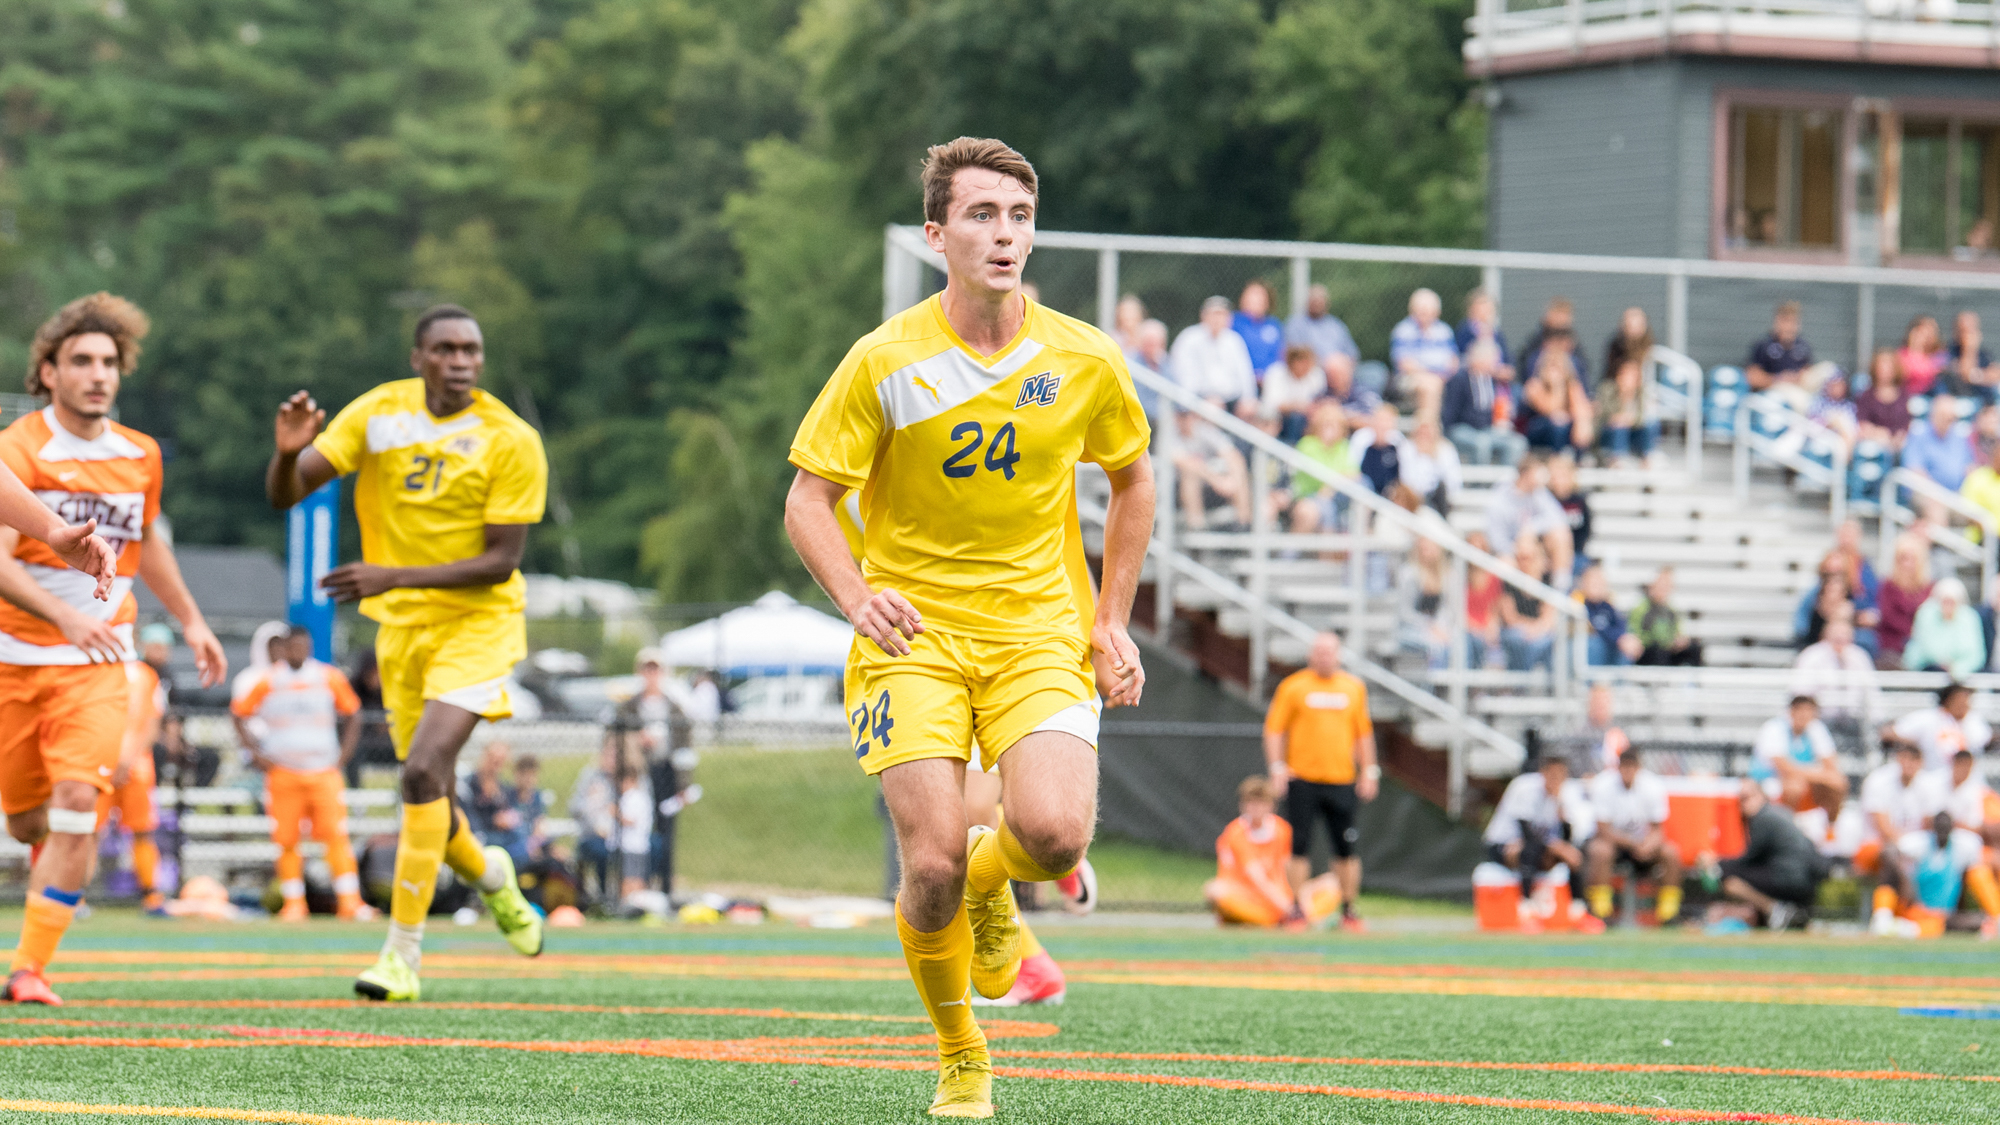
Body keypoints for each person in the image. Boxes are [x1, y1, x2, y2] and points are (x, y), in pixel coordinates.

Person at [781, 138, 1153, 1119]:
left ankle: (1003, 892)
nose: (1005, 235)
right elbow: (807, 502)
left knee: (1051, 838)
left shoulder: (1082, 356)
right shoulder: (883, 359)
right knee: (932, 862)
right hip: (913, 639)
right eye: (983, 216)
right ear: (936, 234)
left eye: (1019, 217)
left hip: (1040, 632)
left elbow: (1132, 479)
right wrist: (859, 599)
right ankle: (961, 1059)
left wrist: (1110, 618)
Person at [266, 301, 549, 1002]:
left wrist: (389, 574)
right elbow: (287, 493)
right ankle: (492, 875)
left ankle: (402, 956)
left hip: (478, 622)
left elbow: (500, 560)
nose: (462, 361)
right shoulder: (378, 413)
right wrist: (284, 451)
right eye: (447, 349)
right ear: (418, 356)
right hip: (402, 632)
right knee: (430, 789)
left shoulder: (510, 437)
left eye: (472, 351)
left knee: (421, 770)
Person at [1, 293, 218, 1007]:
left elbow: (146, 541)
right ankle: (42, 854)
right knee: (28, 817)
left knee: (77, 799)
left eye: (109, 362)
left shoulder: (141, 454)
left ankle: (29, 967)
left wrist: (190, 619)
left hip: (100, 659)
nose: (99, 374)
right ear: (48, 371)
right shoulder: (22, 447)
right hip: (16, 656)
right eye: (82, 361)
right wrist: (62, 615)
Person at [232, 624, 368, 921]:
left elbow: (353, 712)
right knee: (287, 839)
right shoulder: (268, 680)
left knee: (335, 836)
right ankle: (294, 904)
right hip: (284, 772)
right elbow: (239, 713)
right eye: (292, 646)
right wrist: (256, 753)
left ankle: (350, 902)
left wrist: (342, 756)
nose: (298, 651)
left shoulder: (328, 677)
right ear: (284, 648)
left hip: (323, 771)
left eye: (303, 646)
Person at [1263, 632, 1376, 933]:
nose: (1324, 657)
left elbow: (1363, 733)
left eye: (1330, 652)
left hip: (1341, 779)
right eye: (1319, 652)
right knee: (1299, 846)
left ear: (1338, 655)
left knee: (1346, 849)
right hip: (1303, 779)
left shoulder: (1352, 688)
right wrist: (1277, 767)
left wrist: (1369, 770)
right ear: (1311, 655)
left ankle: (1349, 909)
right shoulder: (1294, 686)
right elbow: (1274, 728)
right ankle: (1297, 908)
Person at [98, 625, 172, 913]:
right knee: (87, 832)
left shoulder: (146, 675)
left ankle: (151, 895)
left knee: (142, 830)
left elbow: (152, 725)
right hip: (99, 764)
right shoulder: (97, 672)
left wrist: (128, 759)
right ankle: (73, 896)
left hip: (137, 768)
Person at [1482, 756, 1598, 933]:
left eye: (1560, 776)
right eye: (1552, 775)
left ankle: (1578, 912)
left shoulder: (1565, 794)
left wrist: (1563, 816)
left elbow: (1567, 839)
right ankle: (1527, 911)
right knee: (1529, 850)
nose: (1556, 780)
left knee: (1573, 856)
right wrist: (1554, 846)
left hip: (1540, 847)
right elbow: (1526, 832)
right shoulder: (1524, 787)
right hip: (1502, 845)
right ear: (1542, 773)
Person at [1206, 775, 1338, 928]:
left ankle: (1285, 918)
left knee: (1331, 883)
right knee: (1215, 890)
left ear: (1271, 806)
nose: (1256, 808)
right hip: (1249, 895)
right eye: (1251, 803)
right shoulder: (1236, 832)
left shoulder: (1282, 830)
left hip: (1280, 893)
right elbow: (1258, 879)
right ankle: (1295, 919)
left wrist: (1299, 901)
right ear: (1242, 806)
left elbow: (1290, 872)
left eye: (1261, 803)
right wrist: (1289, 909)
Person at [1585, 748, 1683, 924]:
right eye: (1624, 767)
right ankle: (1601, 911)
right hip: (1616, 846)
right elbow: (1603, 830)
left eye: (1632, 767)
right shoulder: (1603, 785)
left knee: (1671, 853)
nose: (1628, 772)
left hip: (1643, 846)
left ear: (1639, 768)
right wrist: (1632, 844)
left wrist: (1649, 845)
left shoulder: (1653, 786)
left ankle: (1669, 913)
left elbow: (1658, 828)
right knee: (1600, 851)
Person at [1716, 780, 1827, 931]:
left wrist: (1718, 863)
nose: (1743, 804)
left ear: (1761, 795)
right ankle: (1783, 914)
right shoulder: (1780, 812)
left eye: (1747, 798)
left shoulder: (1764, 818)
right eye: (1740, 799)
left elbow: (1749, 859)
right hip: (1805, 878)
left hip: (1789, 878)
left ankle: (1775, 910)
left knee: (1730, 879)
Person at [1856, 740, 1951, 887]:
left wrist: (1915, 848)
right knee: (1892, 855)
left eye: (1913, 759)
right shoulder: (1879, 780)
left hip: (1912, 850)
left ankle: (1934, 907)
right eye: (1904, 758)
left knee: (1945, 857)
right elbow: (1883, 828)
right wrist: (1907, 847)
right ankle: (1889, 906)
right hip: (1875, 845)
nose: (1908, 764)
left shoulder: (1928, 784)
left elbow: (1930, 824)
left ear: (1921, 762)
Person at [1750, 695, 1846, 814]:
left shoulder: (1816, 728)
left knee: (1837, 783)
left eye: (1808, 711)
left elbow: (1831, 764)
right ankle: (1787, 825)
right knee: (1794, 787)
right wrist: (1822, 776)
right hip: (1769, 780)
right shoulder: (1774, 728)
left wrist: (1825, 777)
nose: (1804, 715)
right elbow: (1784, 768)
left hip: (1802, 779)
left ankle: (1830, 828)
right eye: (1800, 711)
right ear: (1791, 711)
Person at [1483, 454, 1571, 581]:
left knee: (1559, 535)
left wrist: (1529, 529)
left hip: (1534, 550)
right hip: (1509, 552)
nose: (1542, 478)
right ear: (1526, 474)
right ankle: (1513, 599)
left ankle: (1560, 588)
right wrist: (1518, 547)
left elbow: (1558, 518)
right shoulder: (1500, 499)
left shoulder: (1538, 492)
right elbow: (1496, 540)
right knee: (1504, 564)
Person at [1441, 341, 1525, 466]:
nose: (1496, 364)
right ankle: (1480, 483)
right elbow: (1450, 414)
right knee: (1482, 443)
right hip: (1461, 428)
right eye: (1493, 360)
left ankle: (1504, 481)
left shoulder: (1493, 381)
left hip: (1487, 430)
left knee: (1517, 443)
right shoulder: (1459, 380)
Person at [1790, 613, 1882, 728]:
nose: (1841, 641)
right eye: (1837, 637)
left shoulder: (1859, 656)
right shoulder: (1811, 656)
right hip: (1820, 720)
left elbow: (1871, 691)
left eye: (1844, 636)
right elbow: (1800, 692)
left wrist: (1876, 721)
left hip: (1855, 720)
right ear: (1826, 635)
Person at [1171, 295, 1257, 417]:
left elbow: (1245, 374)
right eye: (1214, 314)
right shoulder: (1189, 339)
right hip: (1200, 399)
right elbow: (1184, 376)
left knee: (1260, 412)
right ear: (1203, 316)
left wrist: (1248, 399)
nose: (1217, 319)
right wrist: (1202, 399)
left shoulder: (1234, 340)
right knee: (1211, 410)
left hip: (1232, 401)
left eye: (1222, 314)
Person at [1281, 401, 1357, 534]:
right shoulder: (1307, 444)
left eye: (1335, 424)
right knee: (1314, 510)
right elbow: (1318, 477)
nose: (1331, 428)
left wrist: (1332, 485)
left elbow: (1354, 474)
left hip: (1335, 497)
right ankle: (1290, 552)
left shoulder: (1342, 446)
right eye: (1327, 423)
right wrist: (1336, 481)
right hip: (1307, 496)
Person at [1170, 409, 1252, 530]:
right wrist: (1217, 480)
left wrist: (1230, 480)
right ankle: (1196, 529)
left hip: (1213, 486)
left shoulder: (1204, 431)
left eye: (1188, 415)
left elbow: (1232, 455)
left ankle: (1244, 524)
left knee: (1237, 467)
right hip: (1177, 489)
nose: (1186, 420)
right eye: (1182, 416)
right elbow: (1185, 463)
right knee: (1190, 474)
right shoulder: (1170, 434)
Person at [1888, 682, 1993, 775]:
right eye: (1961, 699)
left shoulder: (1974, 721)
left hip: (1964, 783)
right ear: (1948, 700)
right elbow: (1890, 732)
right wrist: (1915, 745)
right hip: (1930, 778)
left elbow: (1985, 741)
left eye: (1967, 699)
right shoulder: (1928, 718)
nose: (1965, 703)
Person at [1389, 288, 1457, 415]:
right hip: (1409, 379)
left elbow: (1453, 360)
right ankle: (1429, 429)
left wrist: (1443, 375)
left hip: (1444, 378)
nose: (1423, 315)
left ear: (1436, 312)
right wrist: (1434, 375)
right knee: (1430, 386)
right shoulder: (1404, 330)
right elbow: (1405, 364)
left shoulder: (1444, 331)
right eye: (1420, 311)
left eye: (1427, 311)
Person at [568, 735, 620, 899]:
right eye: (608, 754)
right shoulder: (590, 776)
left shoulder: (622, 779)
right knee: (600, 850)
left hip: (617, 834)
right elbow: (574, 807)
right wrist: (591, 801)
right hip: (591, 835)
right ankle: (602, 897)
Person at [1744, 301, 1821, 410]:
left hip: (1801, 387)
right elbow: (1752, 378)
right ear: (1777, 322)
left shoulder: (1803, 345)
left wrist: (1798, 377)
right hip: (1775, 390)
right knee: (1801, 400)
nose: (1789, 326)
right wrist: (1779, 379)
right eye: (1786, 321)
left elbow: (1808, 372)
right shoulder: (1764, 345)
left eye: (1793, 322)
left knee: (1829, 369)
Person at [1901, 578, 1985, 678]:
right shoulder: (1926, 614)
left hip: (1961, 677)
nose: (1948, 606)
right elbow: (1922, 647)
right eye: (1945, 601)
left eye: (1952, 602)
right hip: (1926, 669)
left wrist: (1957, 669)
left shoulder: (1969, 617)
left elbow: (1976, 655)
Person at [1499, 539, 1558, 673]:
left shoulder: (1547, 584)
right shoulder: (1510, 583)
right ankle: (1522, 683)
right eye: (1520, 558)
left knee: (1545, 643)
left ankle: (1523, 684)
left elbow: (1548, 619)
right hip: (1518, 632)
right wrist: (1530, 627)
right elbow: (1510, 618)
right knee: (1516, 639)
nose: (1524, 562)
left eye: (1528, 558)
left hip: (1538, 633)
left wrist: (1535, 629)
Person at [1901, 390, 1975, 492]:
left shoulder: (1959, 438)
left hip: (1956, 494)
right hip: (1926, 493)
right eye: (1944, 416)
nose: (1948, 421)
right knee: (1935, 506)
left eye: (1951, 418)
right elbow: (1915, 470)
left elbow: (1969, 467)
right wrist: (1940, 494)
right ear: (1933, 415)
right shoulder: (1918, 436)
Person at [1521, 352, 1593, 455]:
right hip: (1538, 428)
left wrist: (1581, 423)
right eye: (1551, 367)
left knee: (1579, 426)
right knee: (1558, 426)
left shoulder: (1572, 386)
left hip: (1564, 426)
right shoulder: (1534, 385)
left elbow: (1581, 409)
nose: (1555, 373)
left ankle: (1577, 460)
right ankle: (1556, 457)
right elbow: (1546, 408)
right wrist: (1557, 387)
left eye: (1558, 368)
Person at [1876, 539, 1934, 667]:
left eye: (1912, 559)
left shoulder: (1929, 588)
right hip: (1893, 643)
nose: (1907, 564)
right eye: (1903, 559)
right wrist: (1909, 630)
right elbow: (1888, 615)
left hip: (1923, 644)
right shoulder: (1888, 586)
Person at [1629, 567, 1700, 666]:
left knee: (1695, 648)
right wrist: (1668, 642)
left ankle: (1694, 680)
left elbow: (1678, 633)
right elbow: (1636, 635)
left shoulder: (1672, 611)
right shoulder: (1641, 609)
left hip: (1667, 651)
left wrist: (1680, 642)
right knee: (1658, 650)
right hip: (1648, 651)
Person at [1593, 358, 1658, 466]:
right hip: (1609, 432)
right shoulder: (1607, 389)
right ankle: (1616, 461)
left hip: (1633, 431)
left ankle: (1646, 459)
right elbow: (1606, 415)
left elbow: (1642, 416)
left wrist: (1628, 419)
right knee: (1619, 427)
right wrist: (1622, 396)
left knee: (1650, 425)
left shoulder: (1642, 393)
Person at [1261, 344, 1325, 445]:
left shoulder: (1316, 375)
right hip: (1274, 419)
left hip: (1305, 421)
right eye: (1303, 362)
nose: (1307, 366)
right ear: (1293, 361)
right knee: (1295, 418)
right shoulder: (1276, 373)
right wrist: (1296, 406)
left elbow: (1318, 402)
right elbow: (1271, 404)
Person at [1518, 297, 1590, 388]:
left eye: (1563, 331)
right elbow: (1526, 368)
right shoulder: (1536, 343)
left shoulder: (1575, 349)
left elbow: (1583, 373)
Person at [1397, 415, 1461, 515]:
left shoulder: (1446, 449)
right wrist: (1421, 458)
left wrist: (1433, 457)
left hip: (1438, 501)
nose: (1425, 434)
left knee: (1441, 489)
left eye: (1428, 430)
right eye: (1422, 430)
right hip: (1413, 501)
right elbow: (1406, 479)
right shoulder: (1407, 448)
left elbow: (1453, 482)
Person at [1578, 563, 1640, 666]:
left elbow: (1619, 625)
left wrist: (1625, 638)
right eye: (1593, 581)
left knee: (1627, 647)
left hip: (1609, 648)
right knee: (1595, 643)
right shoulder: (1578, 603)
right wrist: (1619, 639)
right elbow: (1596, 627)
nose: (1597, 585)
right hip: (1588, 652)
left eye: (1600, 581)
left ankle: (1615, 681)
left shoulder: (1607, 606)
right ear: (1583, 583)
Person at [1855, 348, 1914, 450]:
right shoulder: (1866, 396)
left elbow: (1908, 422)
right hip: (1875, 443)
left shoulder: (1905, 396)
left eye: (1889, 366)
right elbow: (1862, 423)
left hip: (1901, 443)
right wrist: (1877, 433)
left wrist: (1899, 437)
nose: (1885, 370)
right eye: (1882, 366)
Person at [1946, 310, 2000, 408]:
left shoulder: (1983, 354)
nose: (1970, 335)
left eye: (1973, 330)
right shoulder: (1949, 352)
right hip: (1962, 403)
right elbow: (1966, 374)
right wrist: (1970, 349)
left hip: (1987, 402)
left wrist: (1977, 376)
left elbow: (1996, 373)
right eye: (1966, 331)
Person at [1545, 455, 1591, 571]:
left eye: (1563, 476)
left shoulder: (1579, 501)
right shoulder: (1544, 499)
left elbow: (1585, 531)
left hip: (1575, 552)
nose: (1559, 481)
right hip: (1549, 552)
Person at [1231, 280, 1285, 378]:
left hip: (1269, 379)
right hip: (1240, 378)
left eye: (1260, 296)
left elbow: (1280, 355)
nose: (1256, 300)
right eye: (1252, 296)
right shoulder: (1233, 323)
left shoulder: (1274, 325)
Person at [1454, 287, 1512, 376]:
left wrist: (1505, 370)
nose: (1485, 311)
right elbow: (1460, 358)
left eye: (1488, 306)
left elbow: (1508, 360)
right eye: (1481, 306)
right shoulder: (1465, 331)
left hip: (1497, 376)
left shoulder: (1497, 333)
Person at [1125, 318, 1172, 423]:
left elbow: (1175, 387)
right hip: (1139, 418)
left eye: (1157, 343)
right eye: (1150, 343)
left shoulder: (1165, 363)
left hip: (1161, 421)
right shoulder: (1132, 364)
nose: (1154, 348)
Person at [1353, 405, 1404, 497]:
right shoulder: (1361, 438)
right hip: (1364, 492)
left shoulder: (1399, 442)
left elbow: (1403, 475)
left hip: (1391, 494)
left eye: (1387, 420)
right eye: (1380, 419)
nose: (1383, 424)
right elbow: (1353, 470)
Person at [1600, 306, 1653, 386]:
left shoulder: (1650, 349)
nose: (1632, 331)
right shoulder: (1616, 348)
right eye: (1629, 326)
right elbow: (1609, 375)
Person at [1897, 315, 1948, 397]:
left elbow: (1933, 372)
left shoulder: (1940, 355)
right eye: (1923, 332)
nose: (1928, 336)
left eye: (1932, 331)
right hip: (1909, 395)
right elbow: (1904, 373)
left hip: (1934, 395)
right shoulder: (1902, 354)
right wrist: (1915, 349)